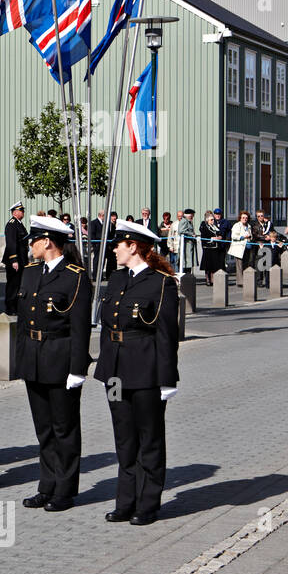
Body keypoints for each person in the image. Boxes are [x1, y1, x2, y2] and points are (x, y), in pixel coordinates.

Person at [93, 220, 179, 526]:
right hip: (115, 374)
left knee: (149, 438)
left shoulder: (161, 283)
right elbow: (107, 327)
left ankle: (148, 504)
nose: (114, 249)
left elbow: (167, 334)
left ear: (133, 247)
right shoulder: (117, 280)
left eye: (118, 244)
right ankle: (125, 501)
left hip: (146, 373)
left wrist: (167, 379)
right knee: (124, 438)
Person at [15, 216, 92, 513]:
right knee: (43, 430)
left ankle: (64, 489)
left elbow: (80, 327)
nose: (30, 246)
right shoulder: (31, 272)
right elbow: (23, 321)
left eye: (33, 240)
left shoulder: (75, 276)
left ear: (47, 241)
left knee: (64, 429)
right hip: (34, 358)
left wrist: (77, 368)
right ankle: (45, 485)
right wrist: (21, 358)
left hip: (60, 361)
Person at [2, 201, 28, 311]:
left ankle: (16, 305)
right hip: (15, 259)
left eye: (23, 210)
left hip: (21, 258)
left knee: (19, 283)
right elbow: (11, 243)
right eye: (21, 210)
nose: (23, 212)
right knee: (13, 284)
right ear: (14, 212)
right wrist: (14, 259)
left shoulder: (19, 224)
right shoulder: (12, 224)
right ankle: (11, 306)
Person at [200, 208, 225, 284]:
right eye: (211, 220)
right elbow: (204, 236)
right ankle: (207, 279)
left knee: (214, 264)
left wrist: (219, 237)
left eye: (213, 219)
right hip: (208, 247)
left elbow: (220, 233)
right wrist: (212, 238)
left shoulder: (215, 227)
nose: (212, 221)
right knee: (208, 264)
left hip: (215, 248)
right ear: (207, 220)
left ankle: (213, 278)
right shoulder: (205, 226)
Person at [177, 209, 198, 274]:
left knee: (189, 262)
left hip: (189, 244)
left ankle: (188, 275)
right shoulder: (184, 221)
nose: (193, 217)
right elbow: (181, 231)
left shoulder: (189, 222)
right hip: (186, 245)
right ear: (189, 215)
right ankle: (185, 277)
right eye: (192, 215)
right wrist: (191, 234)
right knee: (186, 262)